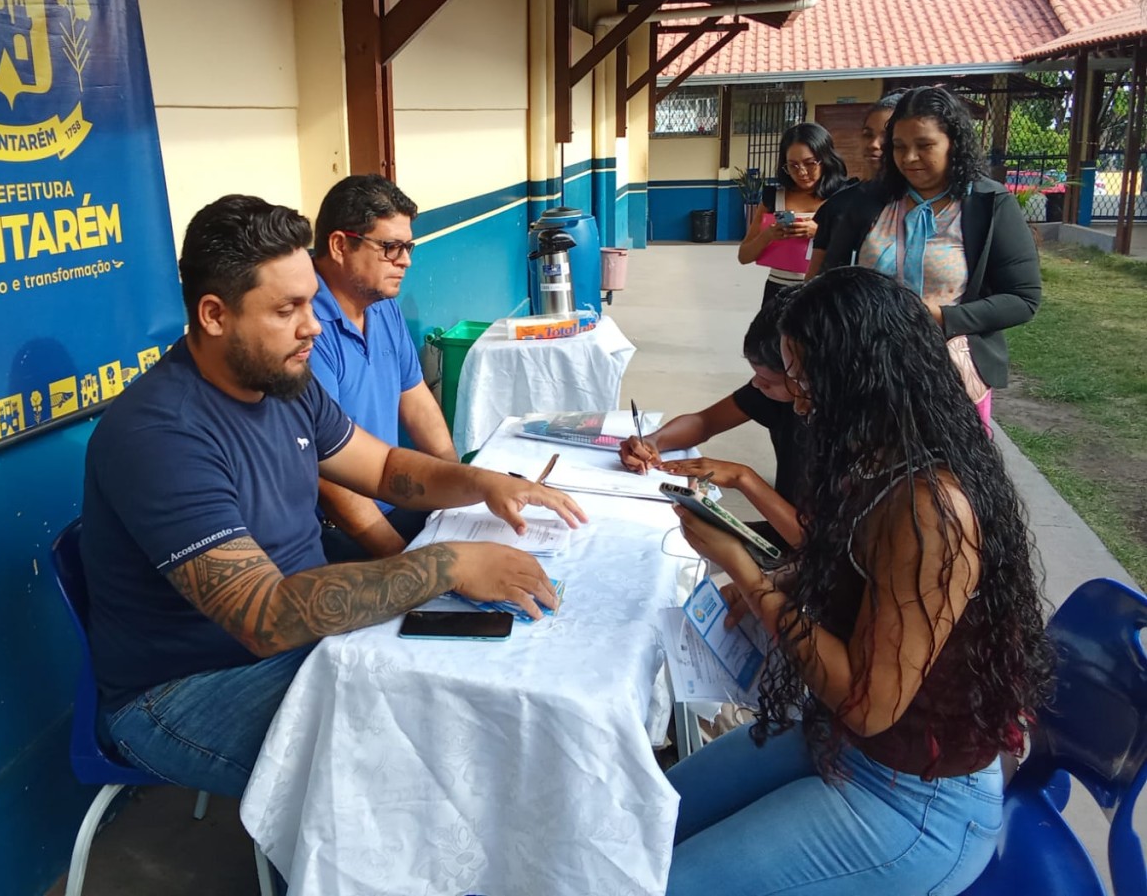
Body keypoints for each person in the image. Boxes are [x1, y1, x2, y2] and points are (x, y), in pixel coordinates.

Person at [79, 195, 586, 799]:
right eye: (288, 308)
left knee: (477, 696)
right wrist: (446, 564)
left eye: (309, 299)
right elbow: (264, 619)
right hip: (184, 690)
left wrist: (483, 482)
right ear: (214, 315)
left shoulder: (282, 382)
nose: (313, 325)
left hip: (302, 641)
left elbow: (387, 467)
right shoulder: (160, 435)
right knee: (415, 778)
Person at [663, 267, 1054, 896]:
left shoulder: (930, 505)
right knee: (643, 820)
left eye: (800, 373)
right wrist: (786, 576)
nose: (792, 393)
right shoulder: (872, 453)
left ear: (861, 373)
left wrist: (741, 565)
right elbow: (855, 571)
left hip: (918, 802)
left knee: (666, 884)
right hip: (843, 744)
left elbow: (868, 706)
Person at [822, 86, 1041, 430]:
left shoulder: (988, 204)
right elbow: (829, 278)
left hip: (950, 377)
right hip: (866, 372)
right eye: (899, 146)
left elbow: (1023, 299)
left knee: (944, 479)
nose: (909, 158)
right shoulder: (868, 202)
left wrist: (940, 316)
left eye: (924, 146)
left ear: (953, 143)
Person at [309, 174, 456, 562]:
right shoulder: (305, 328)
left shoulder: (381, 302)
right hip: (342, 530)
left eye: (408, 247)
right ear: (340, 245)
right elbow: (325, 471)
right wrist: (401, 561)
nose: (405, 261)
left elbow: (414, 396)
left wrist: (456, 485)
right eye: (391, 247)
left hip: (394, 498)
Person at [617, 290, 803, 549]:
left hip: (813, 557)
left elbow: (815, 545)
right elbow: (705, 422)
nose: (757, 386)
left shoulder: (854, 432)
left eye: (770, 381)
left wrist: (743, 478)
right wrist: (653, 441)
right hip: (785, 536)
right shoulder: (780, 392)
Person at [737, 122, 849, 307]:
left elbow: (859, 250)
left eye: (810, 163)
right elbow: (744, 256)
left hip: (827, 291)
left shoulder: (843, 196)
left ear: (825, 159)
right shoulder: (775, 198)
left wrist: (821, 233)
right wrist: (768, 234)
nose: (802, 172)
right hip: (779, 291)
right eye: (793, 165)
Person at [805, 90, 904, 280]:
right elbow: (814, 279)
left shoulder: (923, 205)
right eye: (868, 135)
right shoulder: (839, 206)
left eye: (887, 136)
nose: (874, 144)